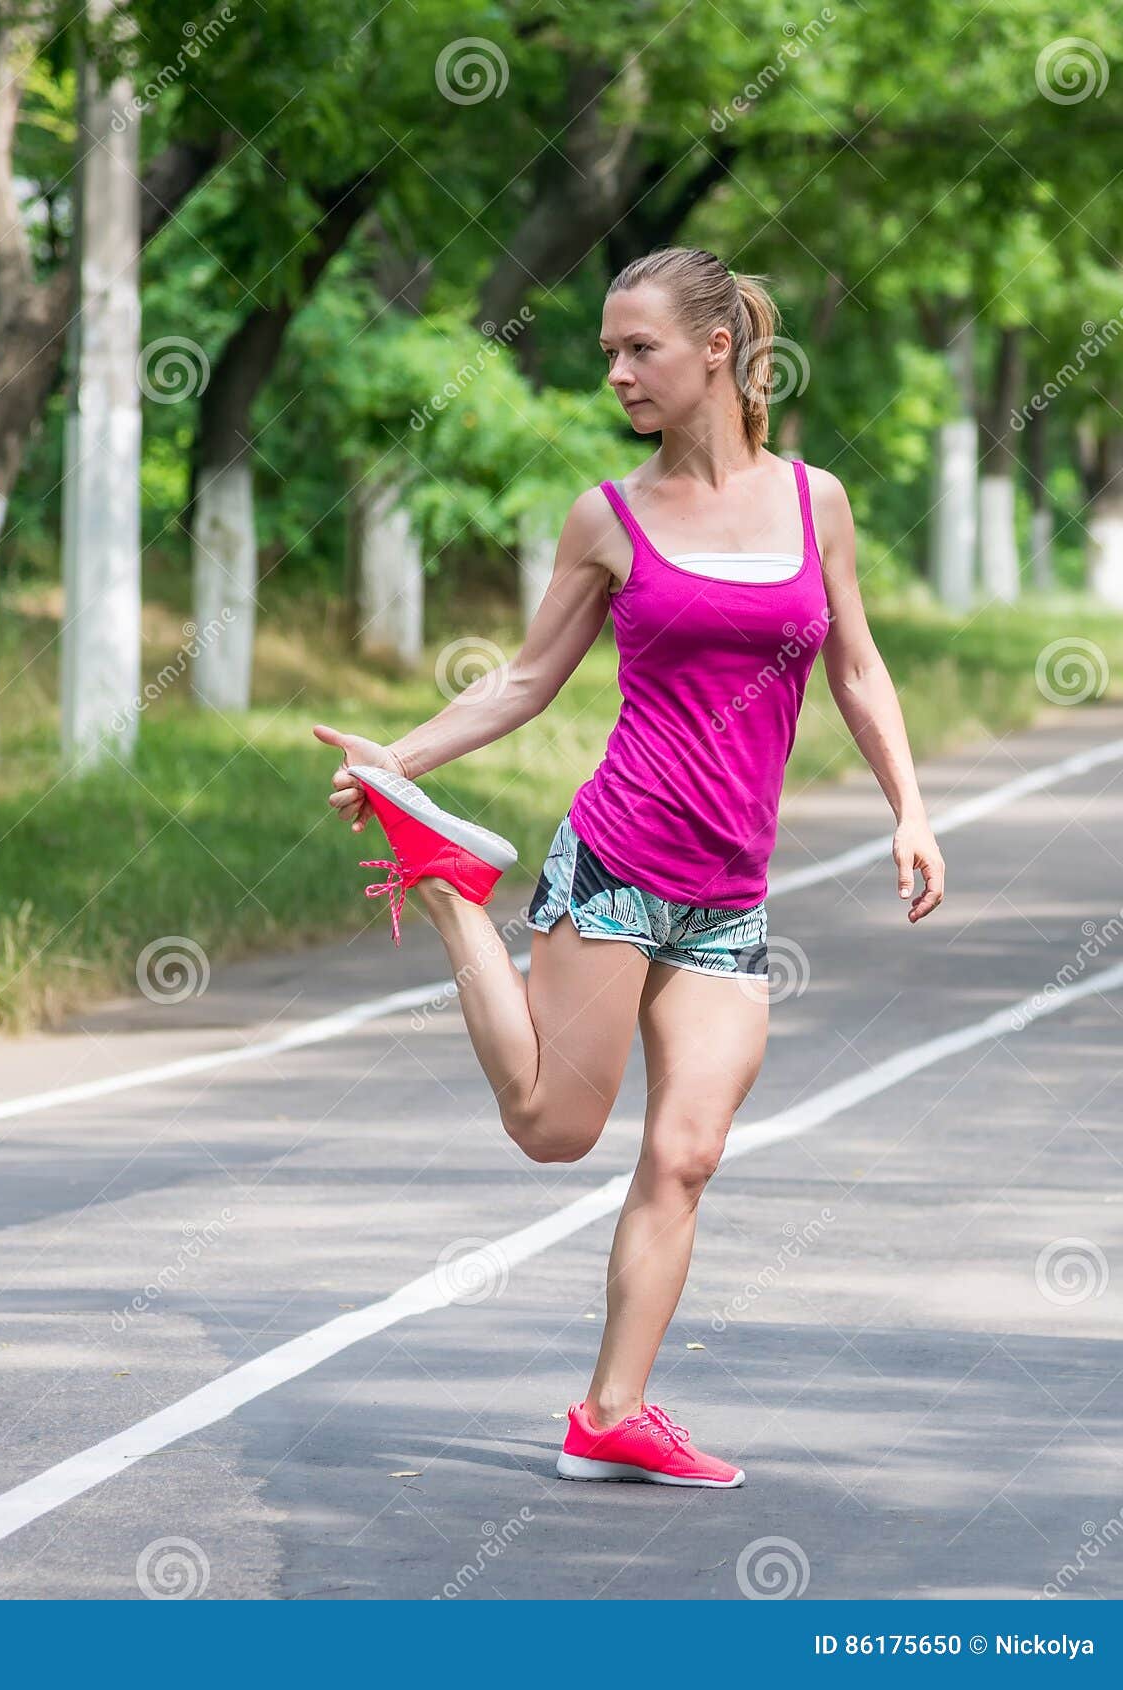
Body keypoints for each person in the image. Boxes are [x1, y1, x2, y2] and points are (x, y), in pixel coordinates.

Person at [314, 245, 945, 1488]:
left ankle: (611, 1411)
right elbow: (526, 677)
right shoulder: (610, 515)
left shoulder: (814, 502)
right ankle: (446, 888)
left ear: (716, 349)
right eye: (608, 350)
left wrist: (909, 809)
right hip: (618, 861)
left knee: (687, 1155)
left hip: (728, 894)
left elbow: (857, 669)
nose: (616, 373)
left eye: (636, 348)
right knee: (554, 1128)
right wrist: (401, 756)